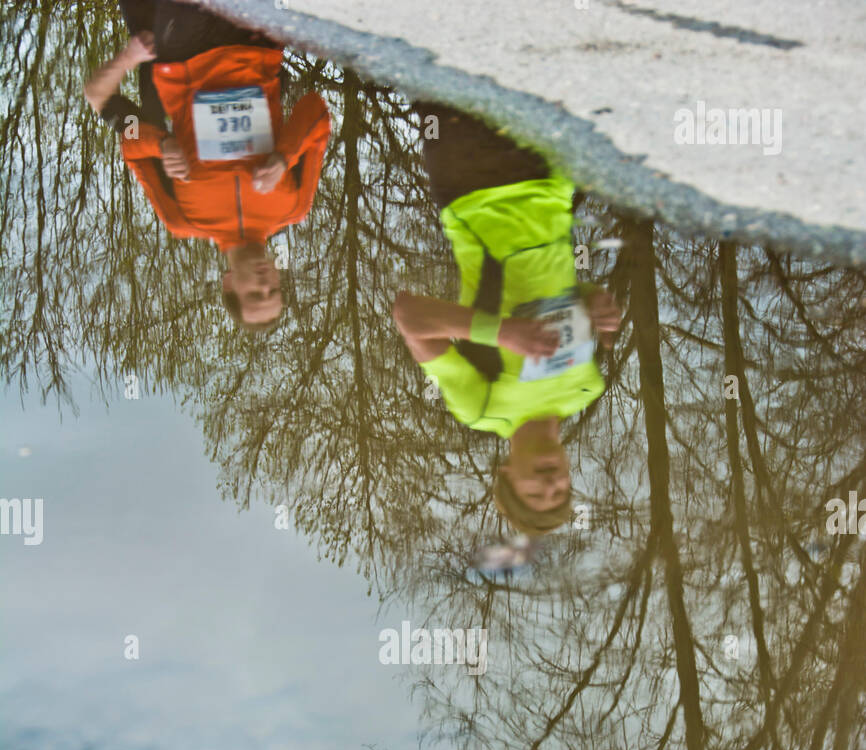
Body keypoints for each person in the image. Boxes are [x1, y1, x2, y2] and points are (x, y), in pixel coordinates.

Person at [392, 105, 620, 534]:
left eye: (535, 493)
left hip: (474, 184)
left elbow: (410, 315)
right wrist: (598, 303)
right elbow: (569, 293)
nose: (550, 483)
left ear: (506, 477)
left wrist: (501, 332)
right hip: (552, 184)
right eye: (561, 491)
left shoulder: (482, 408)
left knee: (447, 64)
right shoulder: (589, 385)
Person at [83, 1, 331, 330]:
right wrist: (284, 156)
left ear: (229, 284)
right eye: (274, 289)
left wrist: (163, 145)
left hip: (186, 54)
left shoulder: (182, 219)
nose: (265, 283)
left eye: (256, 294)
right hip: (258, 46)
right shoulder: (294, 206)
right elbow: (315, 111)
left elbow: (131, 142)